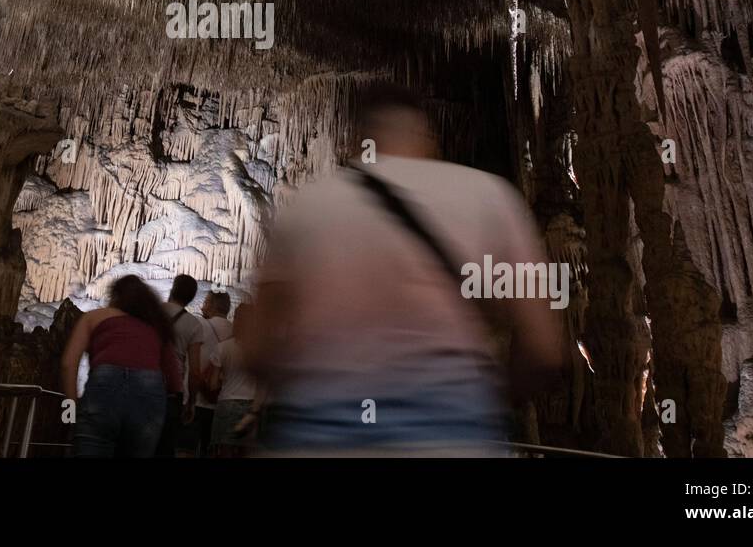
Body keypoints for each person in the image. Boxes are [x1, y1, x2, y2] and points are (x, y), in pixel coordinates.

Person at [247, 81, 563, 455]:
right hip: (451, 429)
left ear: (359, 139)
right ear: (426, 134)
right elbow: (545, 349)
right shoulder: (490, 196)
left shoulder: (307, 205)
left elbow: (256, 349)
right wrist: (491, 400)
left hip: (323, 427)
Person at [62, 274, 182, 457]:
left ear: (115, 297)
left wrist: (69, 414)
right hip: (149, 395)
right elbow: (174, 379)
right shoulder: (156, 325)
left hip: (103, 390)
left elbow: (68, 364)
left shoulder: (95, 317)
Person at [205, 302, 263, 457]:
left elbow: (212, 385)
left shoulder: (223, 347)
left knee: (224, 451)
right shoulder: (261, 351)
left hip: (227, 403)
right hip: (252, 407)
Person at [157, 274, 204, 457]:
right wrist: (191, 402)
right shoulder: (193, 324)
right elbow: (195, 371)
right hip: (171, 390)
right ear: (192, 298)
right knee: (165, 445)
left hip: (142, 384)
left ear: (172, 289)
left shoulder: (152, 312)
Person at [188, 288, 233, 456]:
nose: (202, 306)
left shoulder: (199, 325)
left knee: (188, 448)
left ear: (211, 305)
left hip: (197, 398)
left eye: (205, 302)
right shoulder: (236, 331)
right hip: (222, 401)